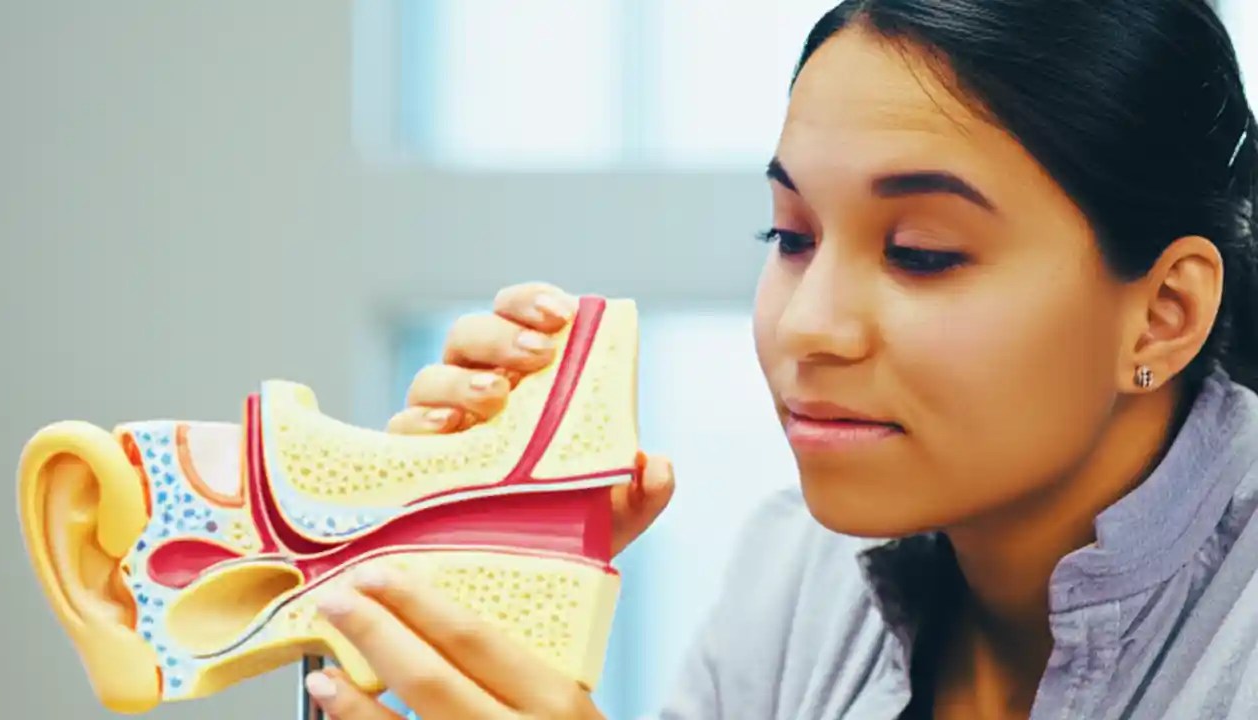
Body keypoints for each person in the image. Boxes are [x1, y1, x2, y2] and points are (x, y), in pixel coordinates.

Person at [300, 1, 1258, 718]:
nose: (809, 325)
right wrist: (407, 611)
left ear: (1163, 315)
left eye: (922, 252)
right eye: (789, 236)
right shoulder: (794, 576)